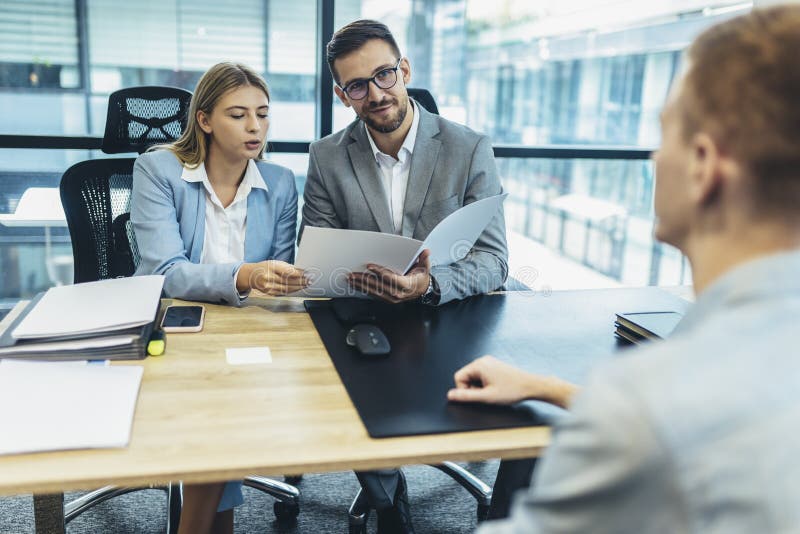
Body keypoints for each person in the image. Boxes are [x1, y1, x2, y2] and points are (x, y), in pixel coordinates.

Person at [449, 5, 800, 532]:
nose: (654, 161)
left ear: (703, 166)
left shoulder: (648, 400)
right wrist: (543, 386)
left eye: (665, 137)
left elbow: (666, 417)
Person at [301, 19, 512, 534]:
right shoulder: (327, 157)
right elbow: (316, 263)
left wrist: (428, 284)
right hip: (365, 312)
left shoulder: (468, 148)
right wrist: (352, 278)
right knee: (356, 385)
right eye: (357, 85)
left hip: (447, 314)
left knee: (522, 402)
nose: (375, 94)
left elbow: (494, 261)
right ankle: (387, 498)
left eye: (384, 75)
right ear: (342, 94)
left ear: (405, 70)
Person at [131, 62, 307, 534]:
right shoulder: (159, 168)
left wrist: (289, 279)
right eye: (238, 115)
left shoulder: (282, 182)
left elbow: (277, 274)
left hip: (247, 332)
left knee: (220, 408)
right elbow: (165, 273)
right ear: (204, 119)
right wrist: (246, 275)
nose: (255, 127)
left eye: (263, 114)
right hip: (173, 329)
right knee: (216, 410)